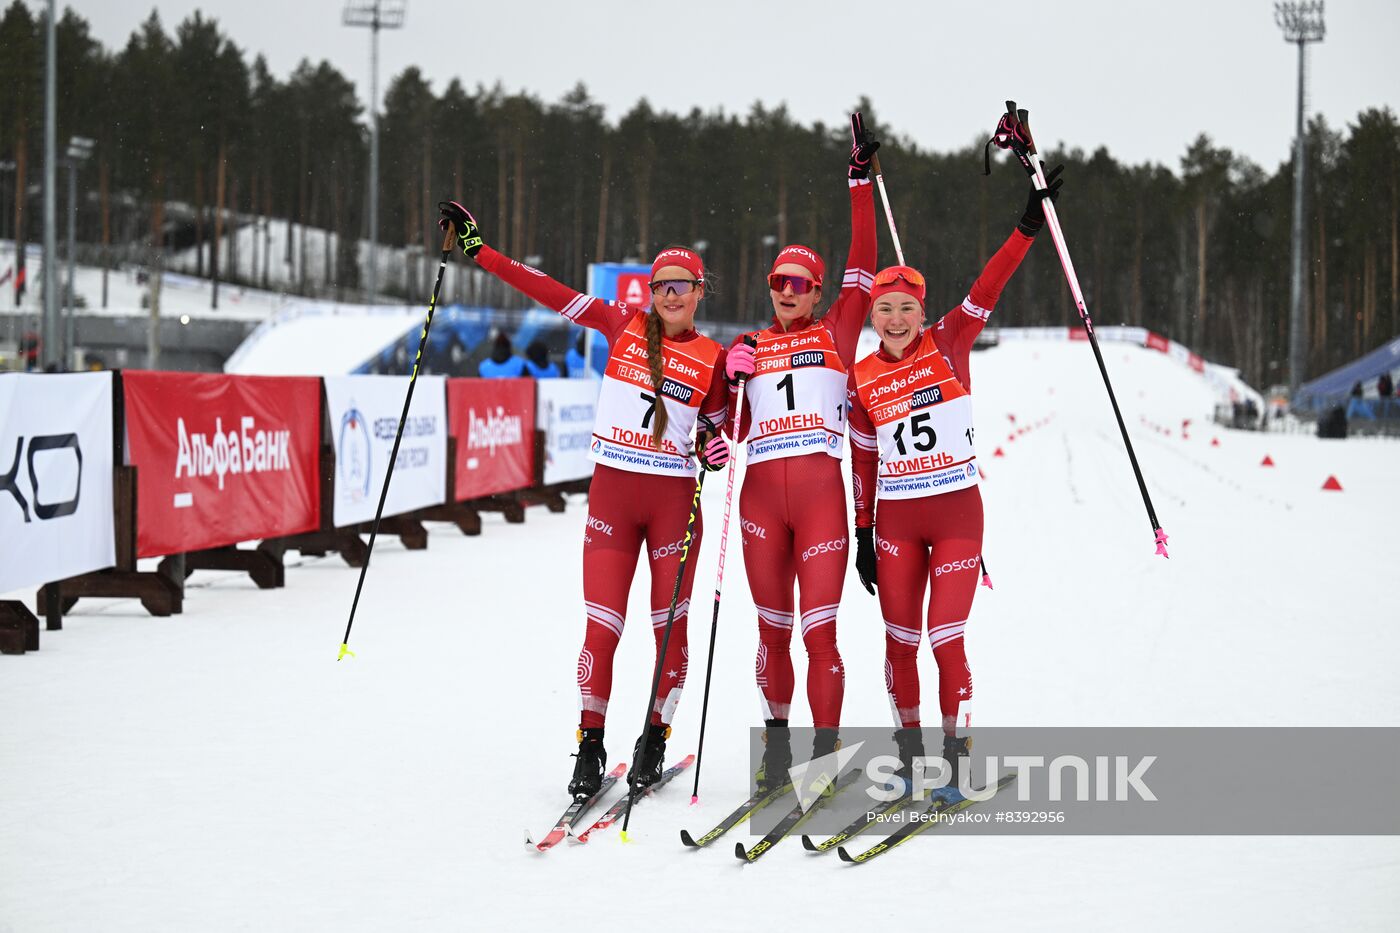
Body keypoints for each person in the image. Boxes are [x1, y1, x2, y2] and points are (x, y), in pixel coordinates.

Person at [439, 200, 731, 800]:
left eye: (683, 287)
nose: (672, 296)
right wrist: (479, 251)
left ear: (700, 292)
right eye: (662, 287)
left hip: (675, 501)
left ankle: (655, 734)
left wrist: (716, 436)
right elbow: (545, 288)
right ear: (650, 292)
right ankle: (590, 744)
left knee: (668, 630)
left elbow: (726, 427)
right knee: (601, 629)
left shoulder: (716, 358)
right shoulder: (620, 325)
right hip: (613, 501)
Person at [846, 166, 1063, 794]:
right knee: (899, 642)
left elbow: (989, 282)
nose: (893, 319)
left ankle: (958, 754)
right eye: (883, 309)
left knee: (945, 636)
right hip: (897, 523)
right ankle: (910, 752)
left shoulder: (950, 338)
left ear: (922, 308)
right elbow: (863, 462)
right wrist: (863, 534)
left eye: (905, 308)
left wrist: (1027, 225)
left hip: (957, 515)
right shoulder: (862, 376)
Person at [722, 112, 878, 789]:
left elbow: (865, 263)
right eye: (778, 282)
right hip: (760, 500)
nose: (787, 292)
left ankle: (825, 750)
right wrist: (726, 381)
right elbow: (720, 432)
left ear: (817, 291)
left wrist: (859, 185)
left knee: (822, 633)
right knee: (771, 633)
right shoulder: (750, 345)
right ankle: (778, 752)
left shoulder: (839, 328)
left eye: (799, 284)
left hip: (819, 500)